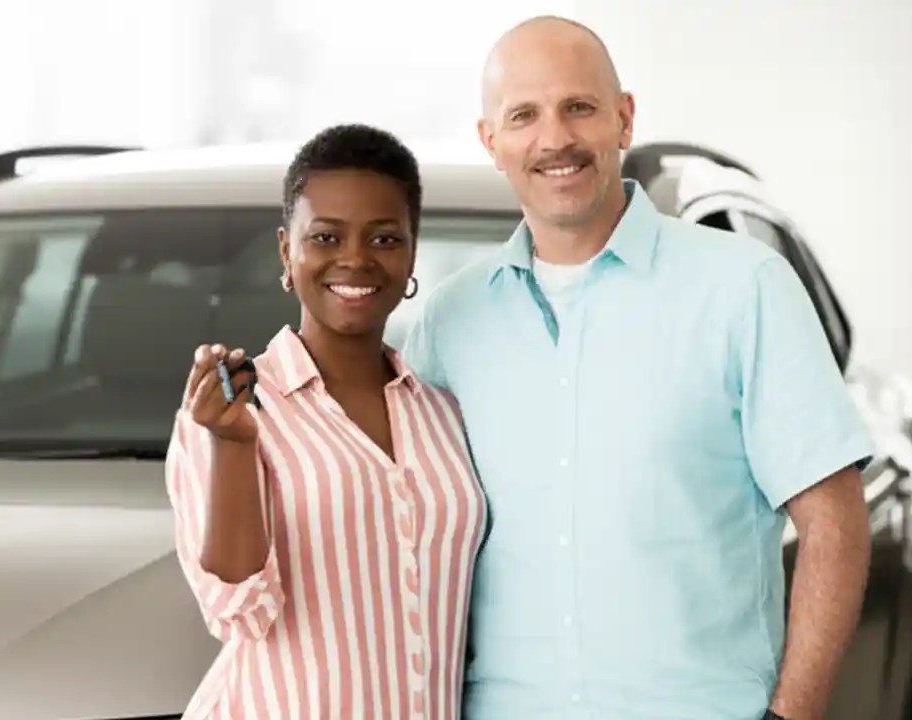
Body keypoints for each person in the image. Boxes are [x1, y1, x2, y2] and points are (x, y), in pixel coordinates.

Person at [402, 15, 874, 720]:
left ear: (624, 119)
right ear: (490, 142)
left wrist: (792, 714)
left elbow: (834, 520)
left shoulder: (744, 289)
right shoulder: (448, 325)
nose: (555, 138)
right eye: (524, 115)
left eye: (579, 107)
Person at [166, 123, 488, 720]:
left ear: (413, 250)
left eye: (385, 238)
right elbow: (238, 610)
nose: (355, 259)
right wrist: (235, 444)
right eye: (326, 236)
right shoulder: (228, 414)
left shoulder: (445, 412)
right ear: (288, 250)